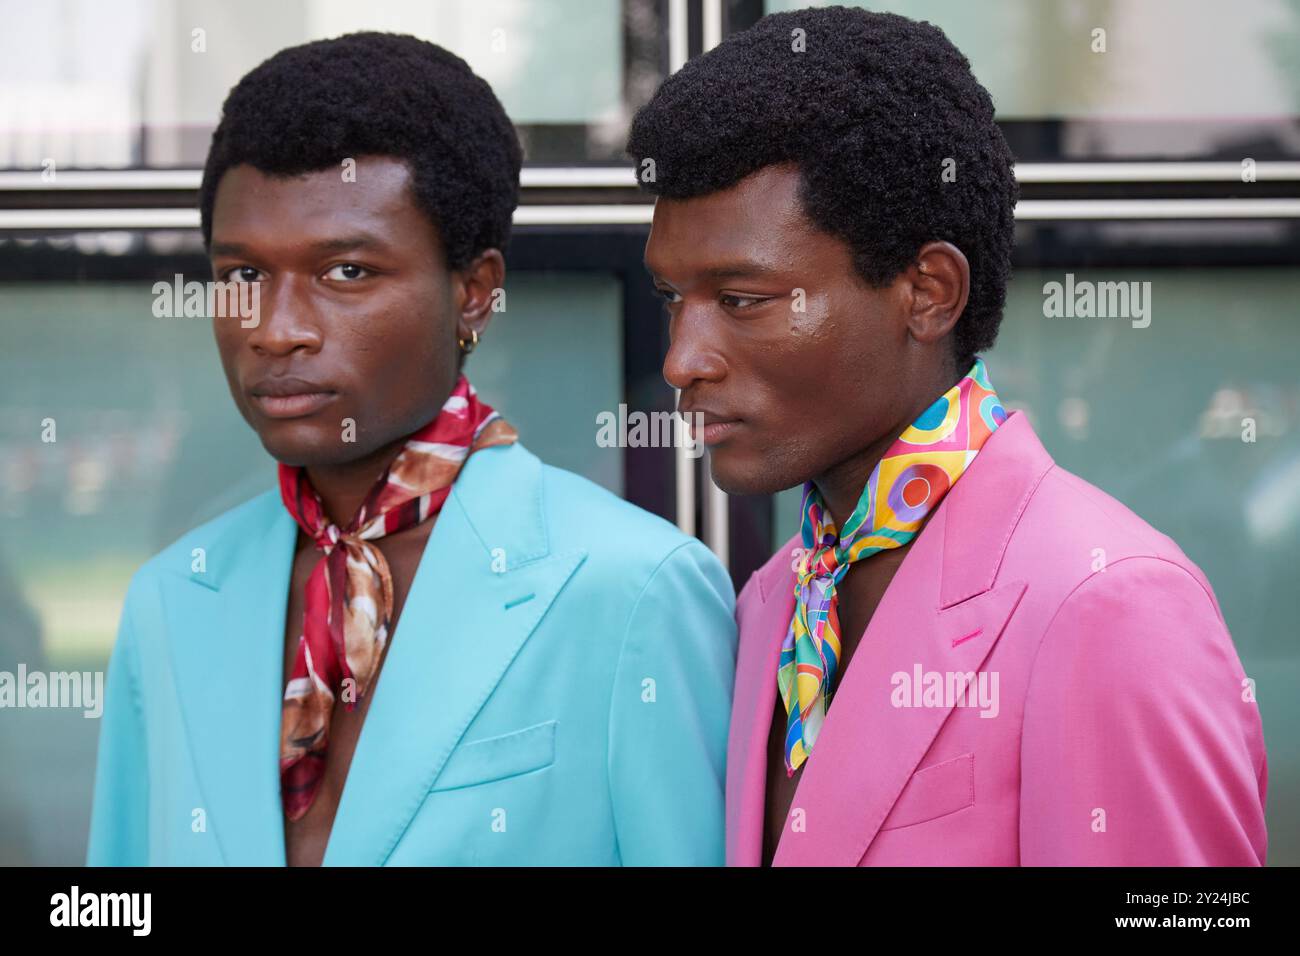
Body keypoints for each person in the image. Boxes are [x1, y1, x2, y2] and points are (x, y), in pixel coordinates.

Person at [628, 5, 1268, 865]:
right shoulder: (776, 596)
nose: (682, 359)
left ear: (928, 293)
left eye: (743, 301)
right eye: (673, 298)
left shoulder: (1109, 602)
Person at [87, 32, 736, 867]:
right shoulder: (173, 601)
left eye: (347, 273)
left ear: (474, 292)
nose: (276, 330)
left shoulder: (632, 588)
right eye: (243, 274)